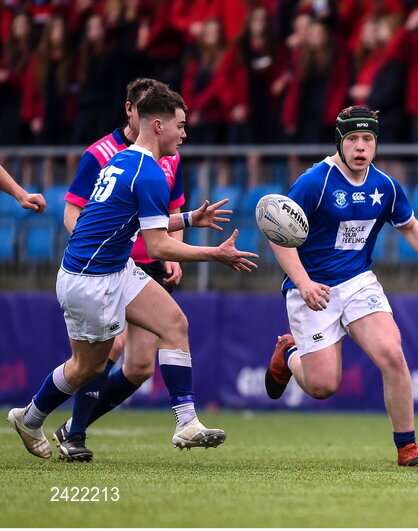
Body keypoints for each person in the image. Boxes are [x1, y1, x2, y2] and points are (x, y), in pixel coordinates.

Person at [6, 84, 258, 461]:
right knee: (87, 366)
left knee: (174, 323)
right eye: (181, 126)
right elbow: (158, 246)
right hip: (90, 281)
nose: (184, 134)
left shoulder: (124, 161)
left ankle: (186, 423)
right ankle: (30, 417)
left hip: (112, 267)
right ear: (158, 126)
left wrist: (189, 218)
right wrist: (216, 254)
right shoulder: (149, 172)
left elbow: (129, 221)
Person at [262, 106, 418, 468]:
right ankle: (289, 355)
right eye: (352, 139)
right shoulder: (314, 183)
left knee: (392, 354)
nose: (360, 147)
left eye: (367, 139)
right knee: (323, 387)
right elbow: (278, 235)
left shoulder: (384, 185)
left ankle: (408, 447)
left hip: (358, 282)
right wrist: (303, 282)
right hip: (313, 288)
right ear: (339, 141)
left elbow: (410, 225)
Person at [51, 78, 193, 462]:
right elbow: (72, 212)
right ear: (131, 109)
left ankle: (67, 426)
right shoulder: (100, 154)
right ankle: (75, 434)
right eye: (139, 106)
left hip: (150, 268)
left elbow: (171, 211)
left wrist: (173, 256)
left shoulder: (169, 155)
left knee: (141, 366)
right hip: (109, 267)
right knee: (107, 348)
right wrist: (101, 250)